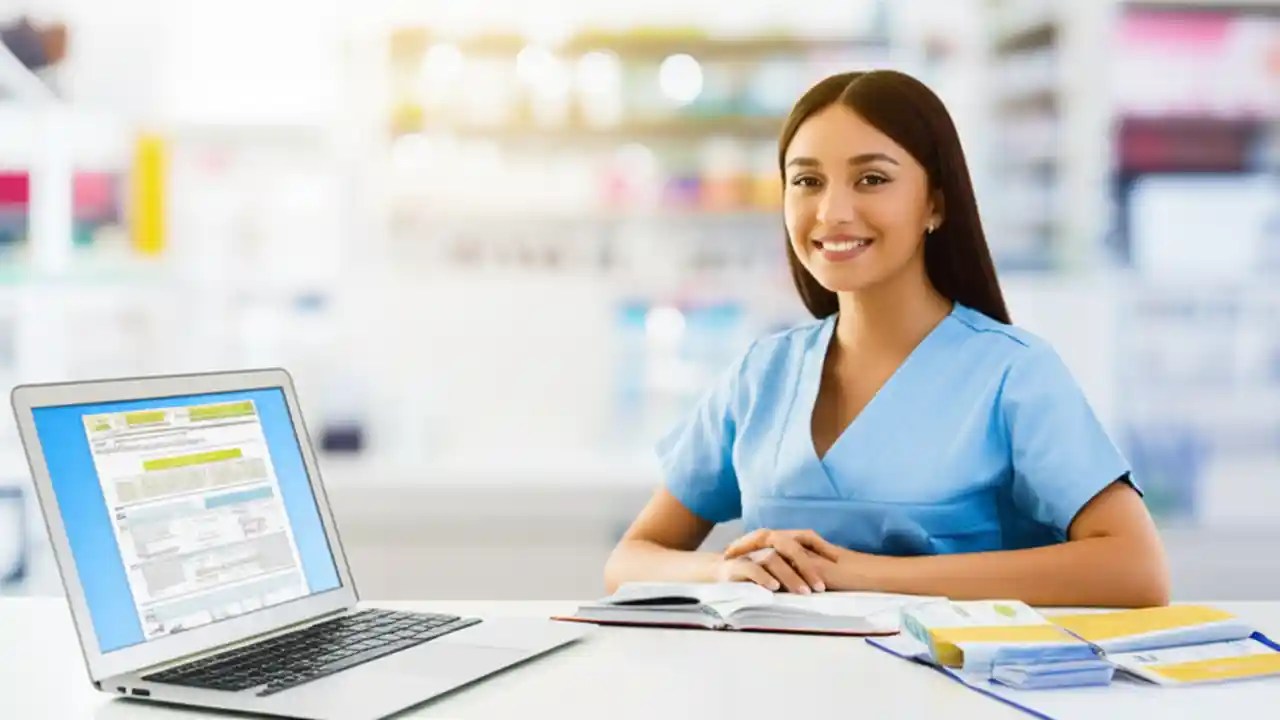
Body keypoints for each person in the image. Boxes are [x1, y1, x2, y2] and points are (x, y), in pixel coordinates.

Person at [603, 70, 1169, 608]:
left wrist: (861, 575)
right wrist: (726, 571)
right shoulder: (763, 374)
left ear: (935, 204)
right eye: (807, 181)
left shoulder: (1012, 373)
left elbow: (1134, 568)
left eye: (871, 179)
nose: (833, 211)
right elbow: (630, 560)